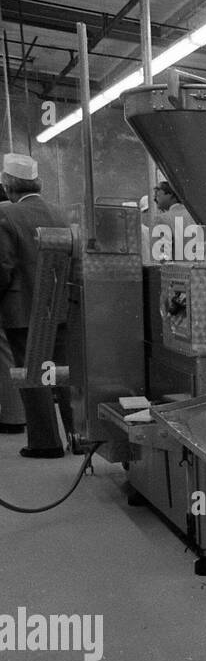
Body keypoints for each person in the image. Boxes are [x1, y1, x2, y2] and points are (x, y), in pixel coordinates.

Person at [0, 152, 73, 457]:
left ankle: (45, 443)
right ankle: (77, 436)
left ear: (8, 184)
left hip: (22, 309)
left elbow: (3, 265)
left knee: (33, 375)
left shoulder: (7, 215)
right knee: (61, 374)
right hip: (57, 307)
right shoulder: (59, 213)